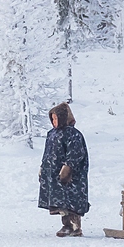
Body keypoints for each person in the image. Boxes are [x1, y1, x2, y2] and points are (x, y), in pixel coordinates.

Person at [38, 102, 89, 237]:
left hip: (70, 176)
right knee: (61, 202)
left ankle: (75, 227)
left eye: (56, 118)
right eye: (52, 118)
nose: (54, 121)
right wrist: (43, 168)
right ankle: (67, 225)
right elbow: (47, 153)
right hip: (54, 175)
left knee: (71, 200)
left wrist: (67, 169)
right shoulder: (52, 134)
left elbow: (76, 153)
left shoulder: (73, 134)